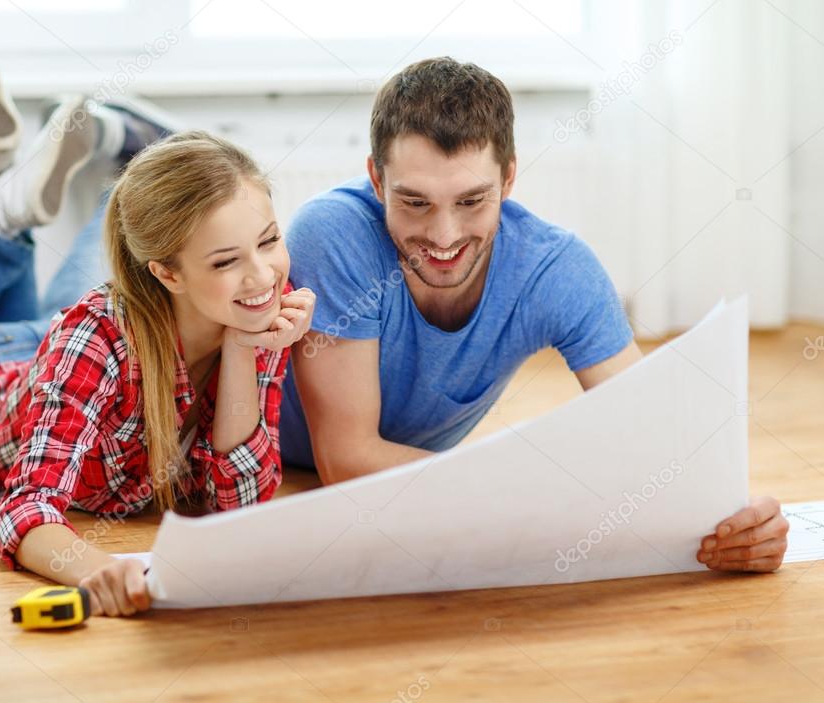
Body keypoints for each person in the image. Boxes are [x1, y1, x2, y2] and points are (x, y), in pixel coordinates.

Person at [0, 43, 316, 616]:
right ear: (168, 272)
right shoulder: (95, 334)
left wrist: (245, 350)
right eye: (225, 261)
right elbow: (27, 508)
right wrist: (101, 570)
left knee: (75, 317)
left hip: (66, 357)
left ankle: (15, 178)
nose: (263, 275)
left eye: (269, 240)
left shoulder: (256, 311)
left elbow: (236, 504)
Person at [280, 56, 789, 573]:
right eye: (414, 202)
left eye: (472, 200)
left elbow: (650, 436)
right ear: (375, 178)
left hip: (407, 491)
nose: (444, 236)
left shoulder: (556, 270)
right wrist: (530, 492)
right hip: (265, 482)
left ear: (509, 177)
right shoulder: (333, 233)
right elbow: (345, 460)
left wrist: (739, 524)